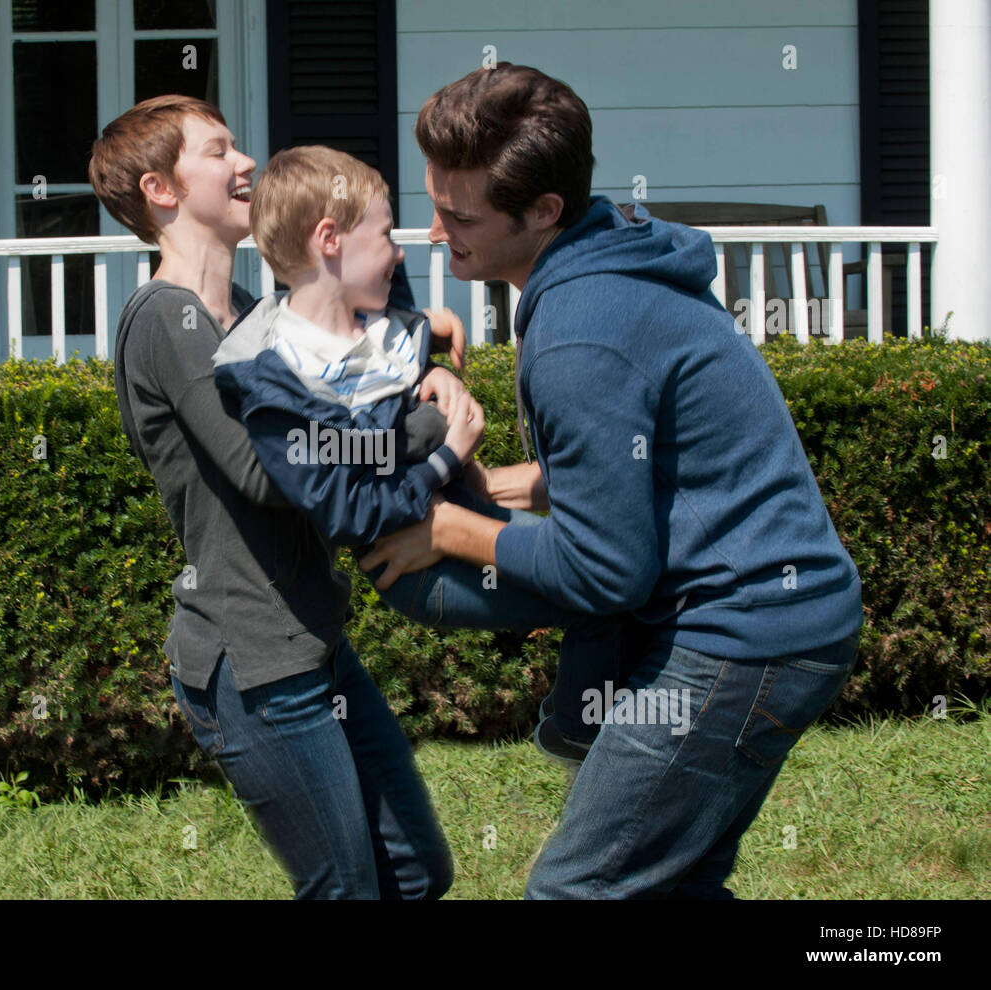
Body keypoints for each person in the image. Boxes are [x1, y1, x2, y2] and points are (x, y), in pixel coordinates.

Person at [360, 64, 863, 899]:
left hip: (743, 636)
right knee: (669, 886)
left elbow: (606, 569)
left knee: (580, 890)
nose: (437, 232)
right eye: (433, 202)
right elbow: (622, 475)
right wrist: (494, 486)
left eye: (461, 216)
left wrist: (449, 531)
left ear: (545, 211)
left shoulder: (580, 333)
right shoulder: (611, 261)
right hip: (776, 615)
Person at [88, 94, 458, 899]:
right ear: (162, 189)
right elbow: (272, 473)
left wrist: (416, 373)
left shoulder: (255, 319)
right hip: (249, 663)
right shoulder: (167, 320)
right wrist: (429, 436)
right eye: (218, 151)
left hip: (312, 640)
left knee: (417, 871)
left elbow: (343, 415)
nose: (245, 162)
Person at [210, 143, 638, 766]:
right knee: (606, 591)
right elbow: (350, 512)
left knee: (613, 576)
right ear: (329, 239)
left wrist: (429, 365)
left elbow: (389, 352)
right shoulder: (280, 382)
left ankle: (589, 728)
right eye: (386, 234)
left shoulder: (368, 321)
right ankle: (579, 732)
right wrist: (447, 450)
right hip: (422, 566)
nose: (402, 249)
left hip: (463, 521)